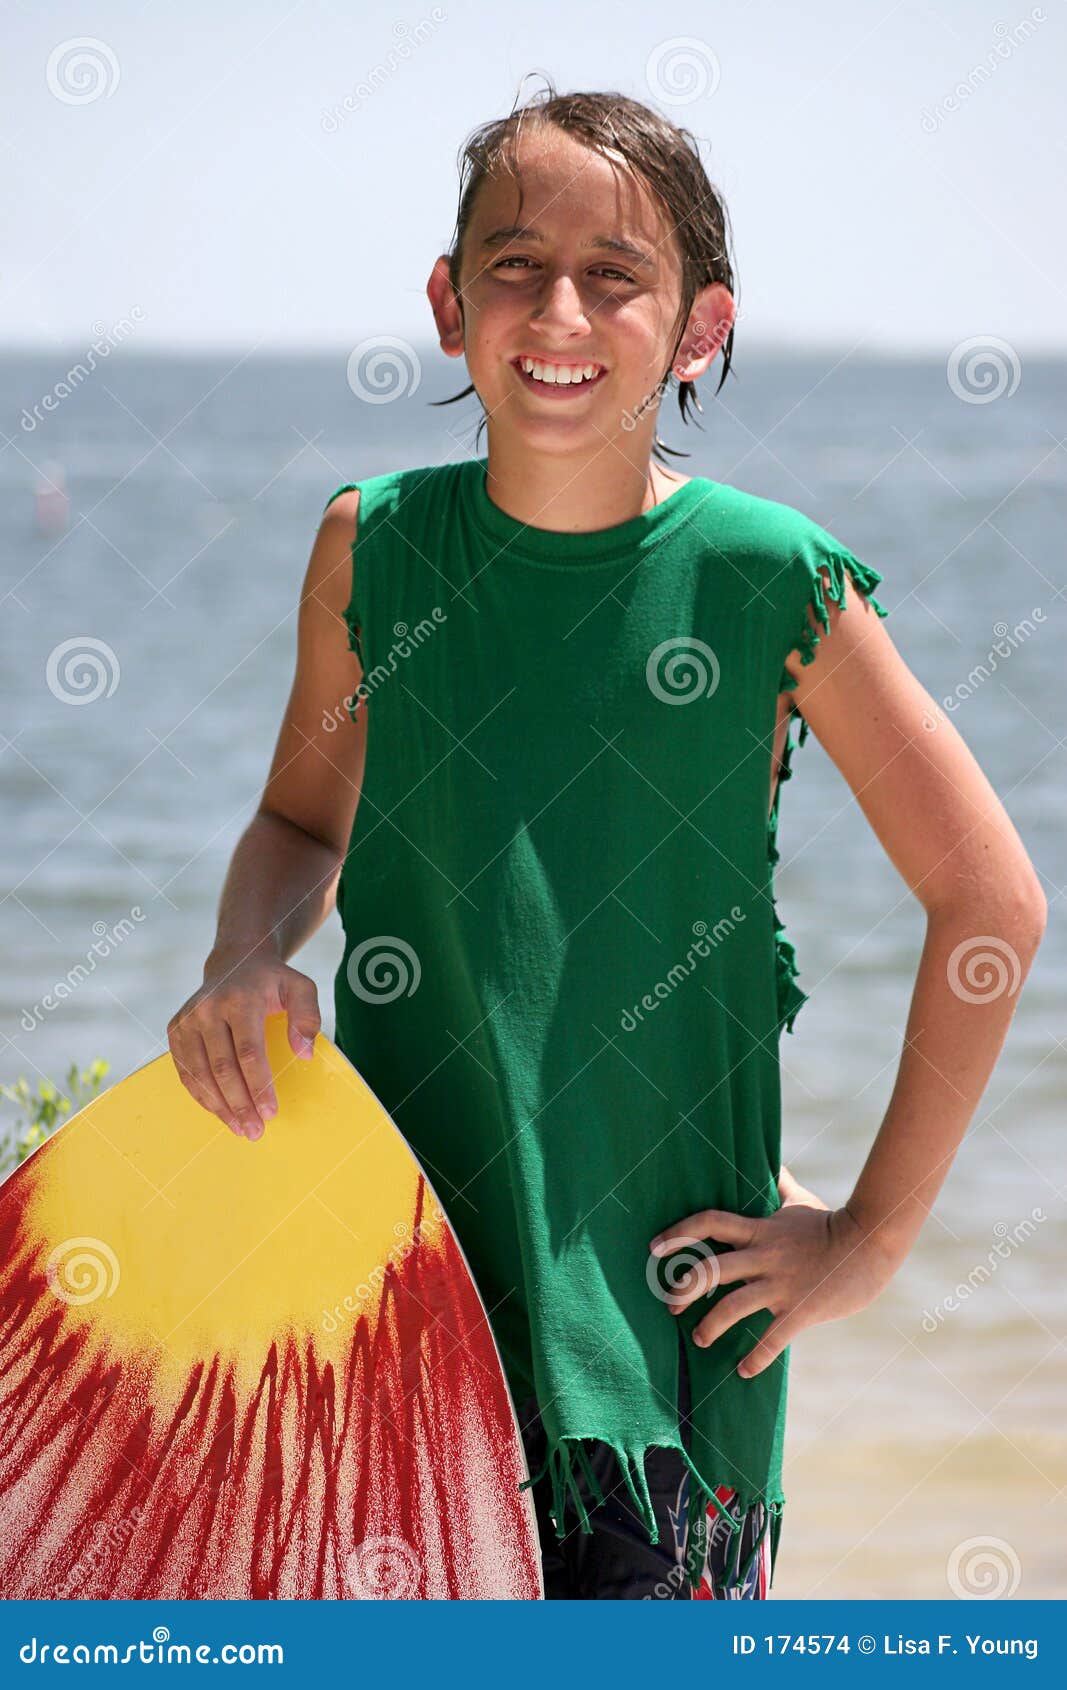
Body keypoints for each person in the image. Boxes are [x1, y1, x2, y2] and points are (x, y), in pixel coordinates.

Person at [167, 80, 1046, 1600]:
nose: (557, 307)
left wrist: (872, 1236)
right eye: (513, 262)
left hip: (662, 1361)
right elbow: (298, 818)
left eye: (614, 274)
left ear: (700, 325)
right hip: (396, 1314)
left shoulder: (767, 577)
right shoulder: (373, 547)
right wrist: (246, 959)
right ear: (448, 305)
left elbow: (989, 899)